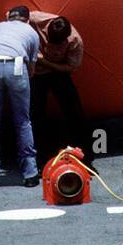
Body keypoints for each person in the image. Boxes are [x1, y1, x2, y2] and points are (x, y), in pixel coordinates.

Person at [0, 5, 40, 190]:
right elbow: (32, 69)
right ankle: (30, 174)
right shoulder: (32, 32)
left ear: (9, 17)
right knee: (23, 122)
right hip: (17, 66)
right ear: (27, 19)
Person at [28, 12, 89, 165]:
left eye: (58, 43)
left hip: (58, 72)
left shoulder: (75, 41)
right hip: (38, 74)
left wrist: (44, 62)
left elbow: (70, 67)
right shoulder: (37, 19)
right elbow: (12, 15)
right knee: (36, 114)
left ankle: (85, 157)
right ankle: (41, 157)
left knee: (75, 112)